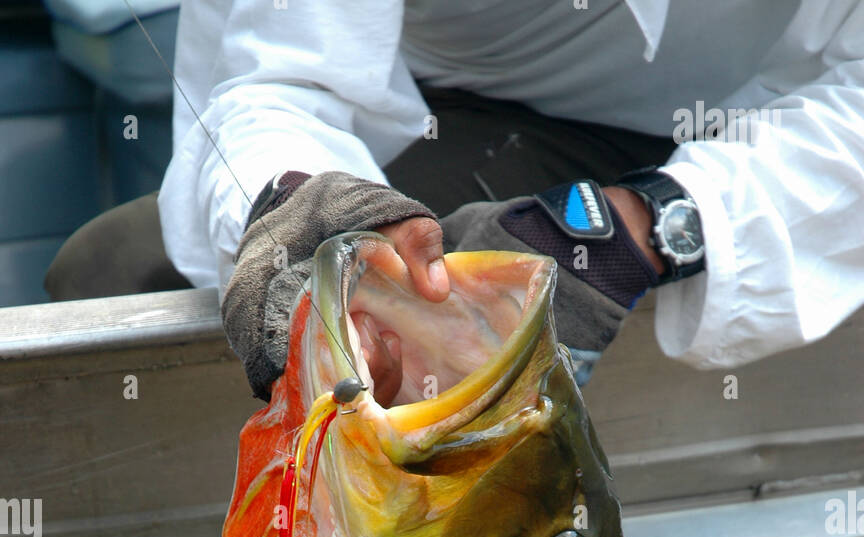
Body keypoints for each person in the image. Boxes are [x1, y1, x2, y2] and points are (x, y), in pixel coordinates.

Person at [47, 0, 864, 408]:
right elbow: (278, 81)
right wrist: (310, 203)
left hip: (801, 127)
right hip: (465, 106)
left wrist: (645, 228)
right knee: (116, 270)